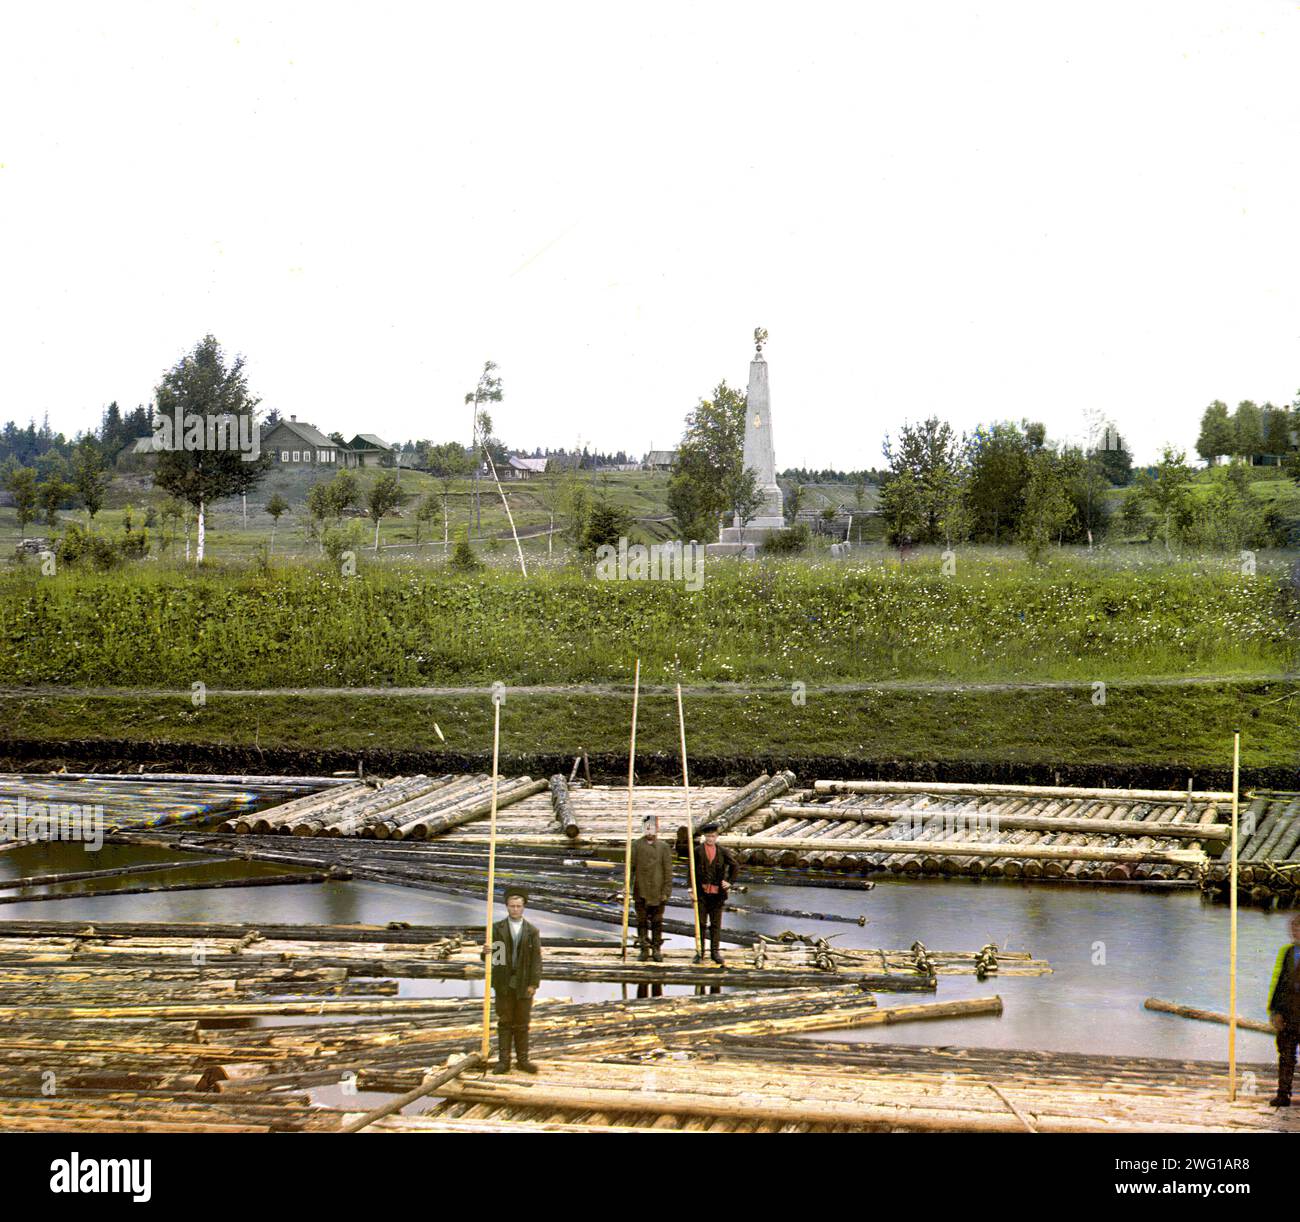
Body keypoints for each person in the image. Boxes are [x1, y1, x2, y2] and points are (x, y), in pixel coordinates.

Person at [482, 884, 542, 1075]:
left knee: (522, 1023)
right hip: (504, 983)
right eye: (512, 906)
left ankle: (523, 1060)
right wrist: (485, 954)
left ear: (523, 907)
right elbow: (496, 959)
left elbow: (536, 960)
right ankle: (504, 1062)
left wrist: (533, 983)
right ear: (506, 907)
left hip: (524, 983)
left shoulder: (531, 931)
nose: (515, 909)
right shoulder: (498, 929)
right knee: (505, 1021)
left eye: (518, 906)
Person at [1267, 912, 1300, 1107]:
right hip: (1287, 1013)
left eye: (1298, 928)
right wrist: (1274, 1011)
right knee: (1286, 1055)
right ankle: (1283, 1093)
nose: (1295, 932)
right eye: (1293, 928)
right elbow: (1279, 983)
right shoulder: (1288, 952)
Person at [694, 822, 738, 966]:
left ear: (717, 837)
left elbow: (735, 866)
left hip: (717, 895)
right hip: (701, 894)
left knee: (715, 924)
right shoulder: (697, 851)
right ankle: (700, 952)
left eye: (712, 836)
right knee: (700, 923)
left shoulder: (723, 851)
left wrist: (730, 881)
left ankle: (715, 952)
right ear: (704, 837)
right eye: (707, 836)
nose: (710, 839)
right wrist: (690, 888)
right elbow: (691, 870)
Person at [631, 814, 673, 962]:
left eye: (652, 828)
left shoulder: (663, 847)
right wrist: (626, 887)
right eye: (646, 828)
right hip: (640, 890)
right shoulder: (636, 845)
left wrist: (667, 891)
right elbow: (630, 869)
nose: (649, 831)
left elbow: (668, 871)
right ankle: (644, 949)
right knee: (641, 921)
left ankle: (656, 949)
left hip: (658, 891)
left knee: (656, 921)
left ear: (657, 829)